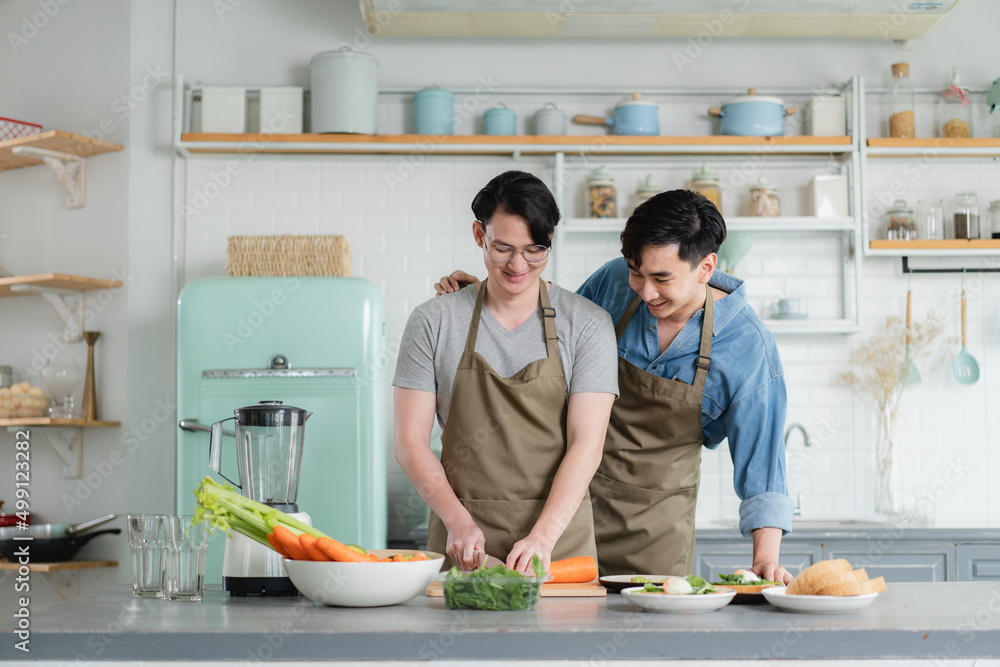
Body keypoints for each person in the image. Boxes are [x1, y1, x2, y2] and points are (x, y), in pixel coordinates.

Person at [435, 189, 795, 584]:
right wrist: (486, 297)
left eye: (662, 278)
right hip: (567, 510)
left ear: (706, 267)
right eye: (636, 272)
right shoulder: (613, 283)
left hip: (655, 529)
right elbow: (554, 326)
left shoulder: (748, 348)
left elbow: (763, 467)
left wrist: (765, 556)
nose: (646, 291)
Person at [393, 170, 619, 574]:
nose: (518, 265)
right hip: (462, 538)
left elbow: (587, 444)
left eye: (536, 250)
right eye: (502, 248)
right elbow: (410, 443)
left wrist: (543, 538)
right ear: (479, 235)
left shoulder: (586, 324)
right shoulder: (434, 321)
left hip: (558, 542)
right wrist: (458, 522)